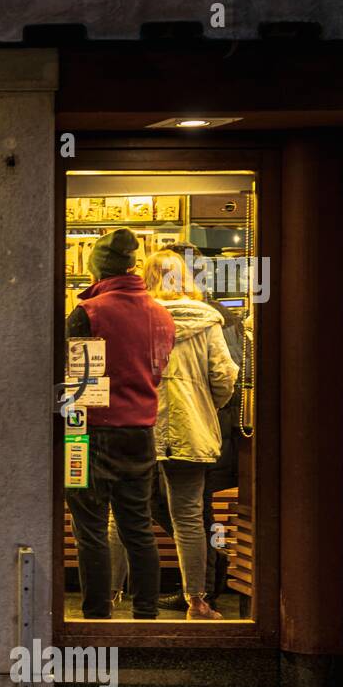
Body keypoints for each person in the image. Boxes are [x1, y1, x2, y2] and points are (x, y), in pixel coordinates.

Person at [65, 228, 176, 620]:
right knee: (138, 527)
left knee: (90, 527)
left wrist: (69, 438)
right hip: (141, 432)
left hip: (90, 432)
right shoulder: (162, 314)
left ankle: (97, 613)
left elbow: (79, 386)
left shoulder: (90, 312)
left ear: (97, 270)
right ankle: (146, 612)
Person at [142, 250, 238, 620]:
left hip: (143, 426)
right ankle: (197, 600)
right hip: (190, 429)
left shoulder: (142, 319)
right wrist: (202, 406)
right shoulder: (208, 320)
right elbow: (224, 376)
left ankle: (116, 598)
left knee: (127, 513)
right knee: (189, 517)